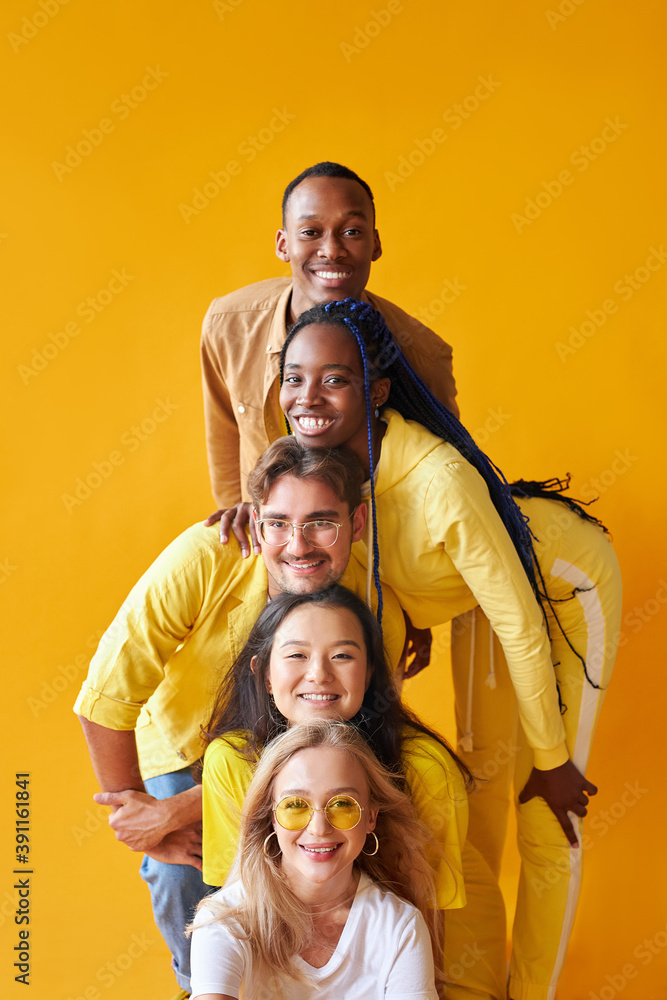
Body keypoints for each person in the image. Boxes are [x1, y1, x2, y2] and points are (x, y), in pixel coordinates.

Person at [275, 297, 621, 1000]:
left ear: (374, 391)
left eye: (334, 379)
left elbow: (522, 621)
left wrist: (553, 761)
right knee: (479, 795)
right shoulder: (329, 475)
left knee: (544, 812)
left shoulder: (437, 480)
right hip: (478, 604)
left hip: (557, 590)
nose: (308, 397)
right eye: (293, 378)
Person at [74, 438, 407, 996]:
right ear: (254, 520)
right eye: (278, 522)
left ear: (357, 522)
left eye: (321, 522)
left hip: (301, 760)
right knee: (186, 878)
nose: (297, 545)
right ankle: (200, 985)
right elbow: (104, 695)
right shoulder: (207, 557)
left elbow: (348, 736)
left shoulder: (374, 605)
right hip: (188, 748)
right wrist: (149, 823)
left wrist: (182, 809)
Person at [202, 586, 508, 1000]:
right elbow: (239, 893)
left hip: (439, 933)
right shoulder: (232, 760)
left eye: (342, 656)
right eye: (296, 655)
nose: (319, 675)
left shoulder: (424, 766)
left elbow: (430, 919)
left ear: (369, 675)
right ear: (264, 674)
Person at [200, 160, 459, 515]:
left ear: (375, 244)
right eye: (310, 232)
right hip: (273, 545)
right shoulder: (229, 325)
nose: (332, 249)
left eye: (351, 232)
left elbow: (446, 470)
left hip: (378, 543)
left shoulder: (421, 355)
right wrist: (243, 515)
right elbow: (225, 433)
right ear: (283, 244)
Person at [190, 721, 440, 999]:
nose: (319, 828)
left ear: (371, 817)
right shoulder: (225, 920)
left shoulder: (400, 926)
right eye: (295, 805)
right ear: (271, 818)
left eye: (343, 804)